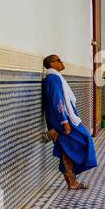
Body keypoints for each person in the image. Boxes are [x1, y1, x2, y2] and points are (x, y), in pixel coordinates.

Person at [42, 54, 97, 190]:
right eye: (58, 60)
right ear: (52, 64)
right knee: (83, 139)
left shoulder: (55, 78)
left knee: (66, 150)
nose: (62, 62)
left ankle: (72, 182)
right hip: (63, 120)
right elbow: (57, 101)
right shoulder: (53, 79)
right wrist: (64, 121)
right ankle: (53, 133)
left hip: (64, 120)